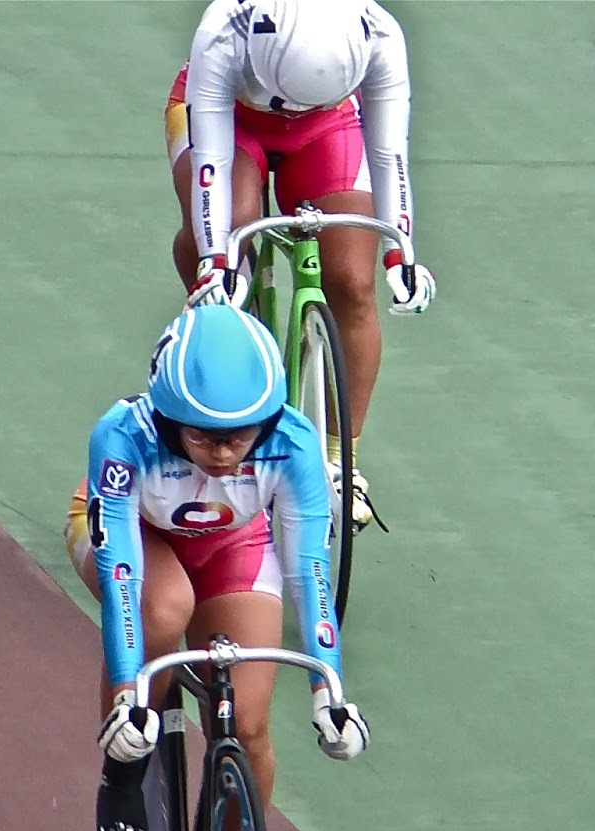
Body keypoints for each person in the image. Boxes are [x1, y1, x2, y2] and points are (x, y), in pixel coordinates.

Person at [64, 304, 369, 831]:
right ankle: (121, 783)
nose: (224, 454)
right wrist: (127, 693)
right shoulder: (123, 436)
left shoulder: (295, 444)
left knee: (249, 723)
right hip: (140, 540)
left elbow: (308, 571)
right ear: (167, 417)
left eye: (239, 438)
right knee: (163, 608)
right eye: (202, 436)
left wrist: (328, 688)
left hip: (234, 544)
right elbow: (122, 573)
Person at [167, 0, 436, 531]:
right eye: (282, 100)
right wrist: (215, 259)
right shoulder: (225, 30)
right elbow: (212, 165)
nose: (287, 110)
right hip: (228, 118)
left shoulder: (379, 35)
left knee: (354, 282)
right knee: (230, 233)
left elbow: (389, 155)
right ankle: (215, 360)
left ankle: (342, 460)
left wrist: (400, 251)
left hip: (329, 128)